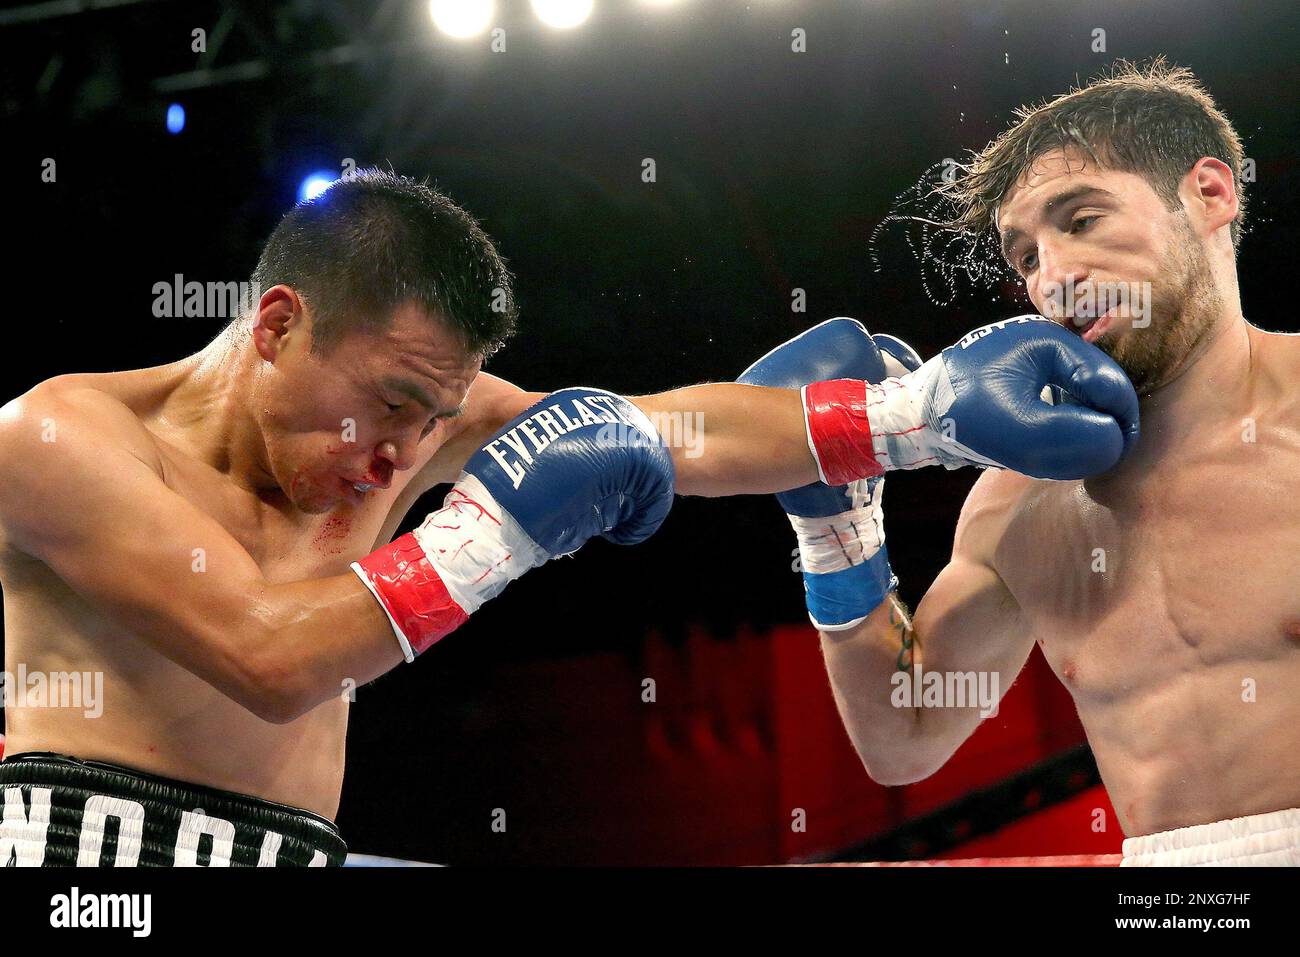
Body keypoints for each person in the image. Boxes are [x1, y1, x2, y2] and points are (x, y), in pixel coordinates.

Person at [0, 169, 1131, 866]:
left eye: (437, 416)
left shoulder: (415, 419)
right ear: (276, 327)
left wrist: (903, 416)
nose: (402, 454)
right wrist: (492, 532)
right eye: (389, 404)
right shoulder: (60, 444)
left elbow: (658, 433)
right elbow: (265, 655)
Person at [754, 60, 1300, 866]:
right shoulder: (1018, 506)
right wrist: (833, 521)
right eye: (1027, 259)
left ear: (1211, 193)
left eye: (1080, 220)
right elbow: (905, 735)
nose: (1055, 280)